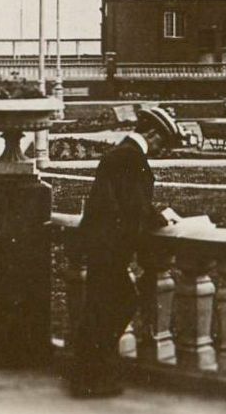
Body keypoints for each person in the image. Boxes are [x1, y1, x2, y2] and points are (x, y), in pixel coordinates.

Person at [69, 130, 168, 398]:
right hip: (111, 246)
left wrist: (150, 213)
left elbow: (123, 199)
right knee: (118, 303)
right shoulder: (132, 157)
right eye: (162, 143)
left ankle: (86, 374)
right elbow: (135, 205)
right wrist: (158, 219)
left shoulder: (120, 153)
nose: (160, 151)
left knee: (99, 307)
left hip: (100, 243)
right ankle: (92, 377)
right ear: (153, 135)